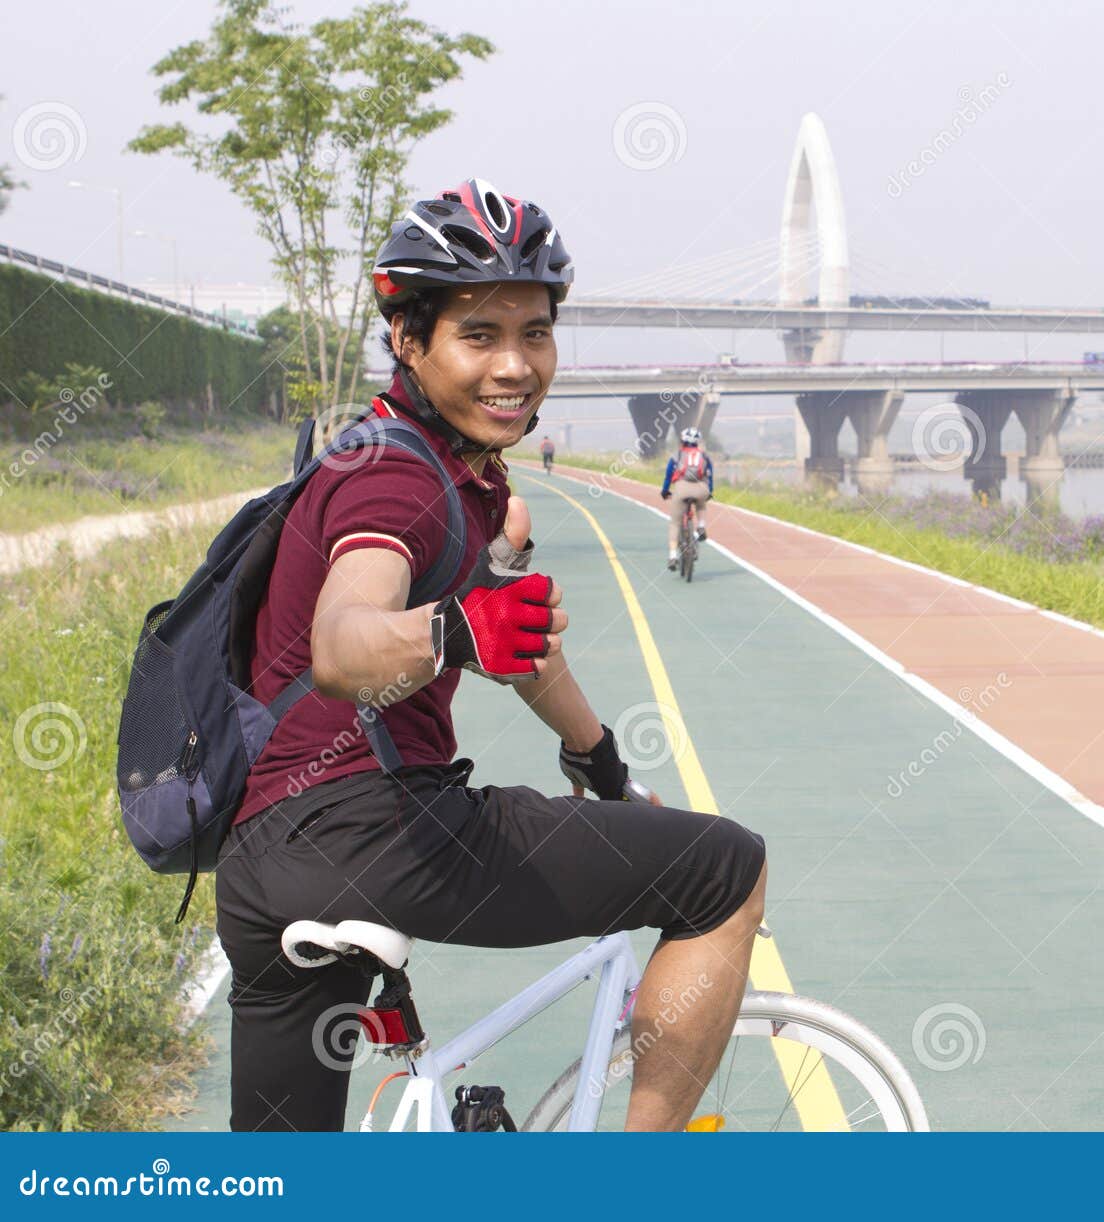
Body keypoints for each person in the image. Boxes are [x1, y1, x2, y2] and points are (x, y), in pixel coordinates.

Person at [216, 179, 766, 1132]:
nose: (515, 365)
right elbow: (345, 643)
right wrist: (448, 632)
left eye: (535, 333)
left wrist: (598, 760)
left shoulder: (448, 470)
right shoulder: (395, 480)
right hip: (378, 832)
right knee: (727, 873)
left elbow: (523, 650)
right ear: (408, 341)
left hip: (263, 864)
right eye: (479, 335)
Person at [661, 426, 713, 571]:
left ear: (682, 441)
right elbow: (710, 476)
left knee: (675, 523)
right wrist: (710, 491)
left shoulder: (676, 456)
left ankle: (672, 556)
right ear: (697, 442)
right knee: (701, 505)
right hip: (701, 488)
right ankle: (701, 526)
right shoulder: (704, 456)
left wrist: (665, 491)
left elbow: (668, 476)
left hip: (682, 489)